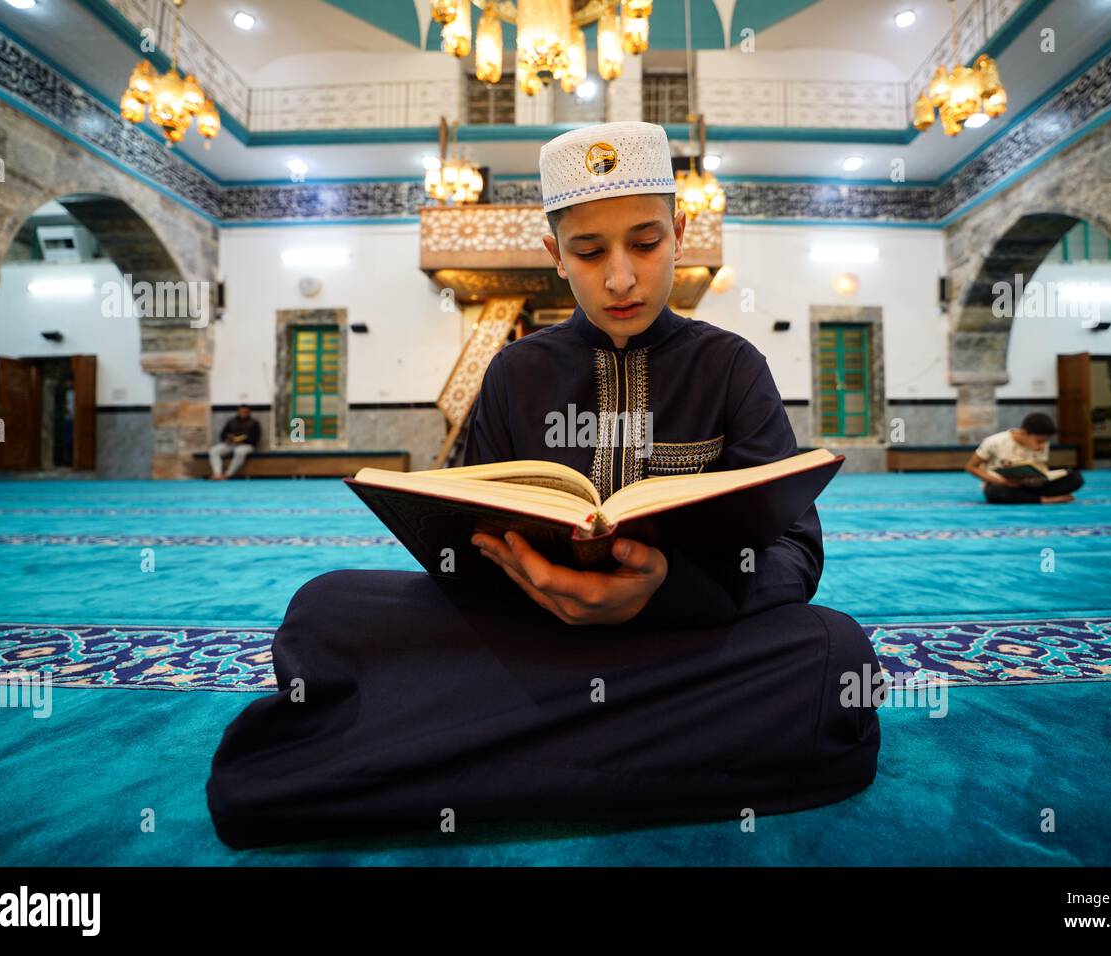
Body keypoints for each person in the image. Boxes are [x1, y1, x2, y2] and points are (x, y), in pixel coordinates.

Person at [206, 121, 880, 849]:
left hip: (686, 636)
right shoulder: (515, 371)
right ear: (555, 254)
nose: (621, 277)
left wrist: (664, 591)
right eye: (590, 252)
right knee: (323, 611)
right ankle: (625, 758)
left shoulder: (733, 368)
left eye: (645, 243)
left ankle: (451, 756)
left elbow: (795, 557)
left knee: (836, 651)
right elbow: (463, 548)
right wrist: (518, 575)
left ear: (681, 233)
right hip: (534, 633)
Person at [966, 412, 1085, 504]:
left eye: (1046, 442)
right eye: (1039, 441)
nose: (1043, 446)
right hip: (1004, 485)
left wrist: (1038, 479)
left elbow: (1040, 467)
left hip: (1031, 486)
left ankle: (1033, 498)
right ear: (1023, 433)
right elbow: (971, 467)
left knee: (1075, 478)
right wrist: (1002, 481)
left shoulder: (1042, 444)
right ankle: (1045, 500)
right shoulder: (994, 442)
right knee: (995, 493)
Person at [208, 404, 261, 480]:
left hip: (246, 445)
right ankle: (217, 474)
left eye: (245, 411)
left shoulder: (254, 423)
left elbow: (256, 439)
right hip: (231, 444)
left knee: (239, 451)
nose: (243, 413)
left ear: (248, 412)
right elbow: (223, 434)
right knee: (214, 451)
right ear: (238, 412)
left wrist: (244, 441)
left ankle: (228, 474)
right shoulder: (231, 421)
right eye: (241, 411)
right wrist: (227, 439)